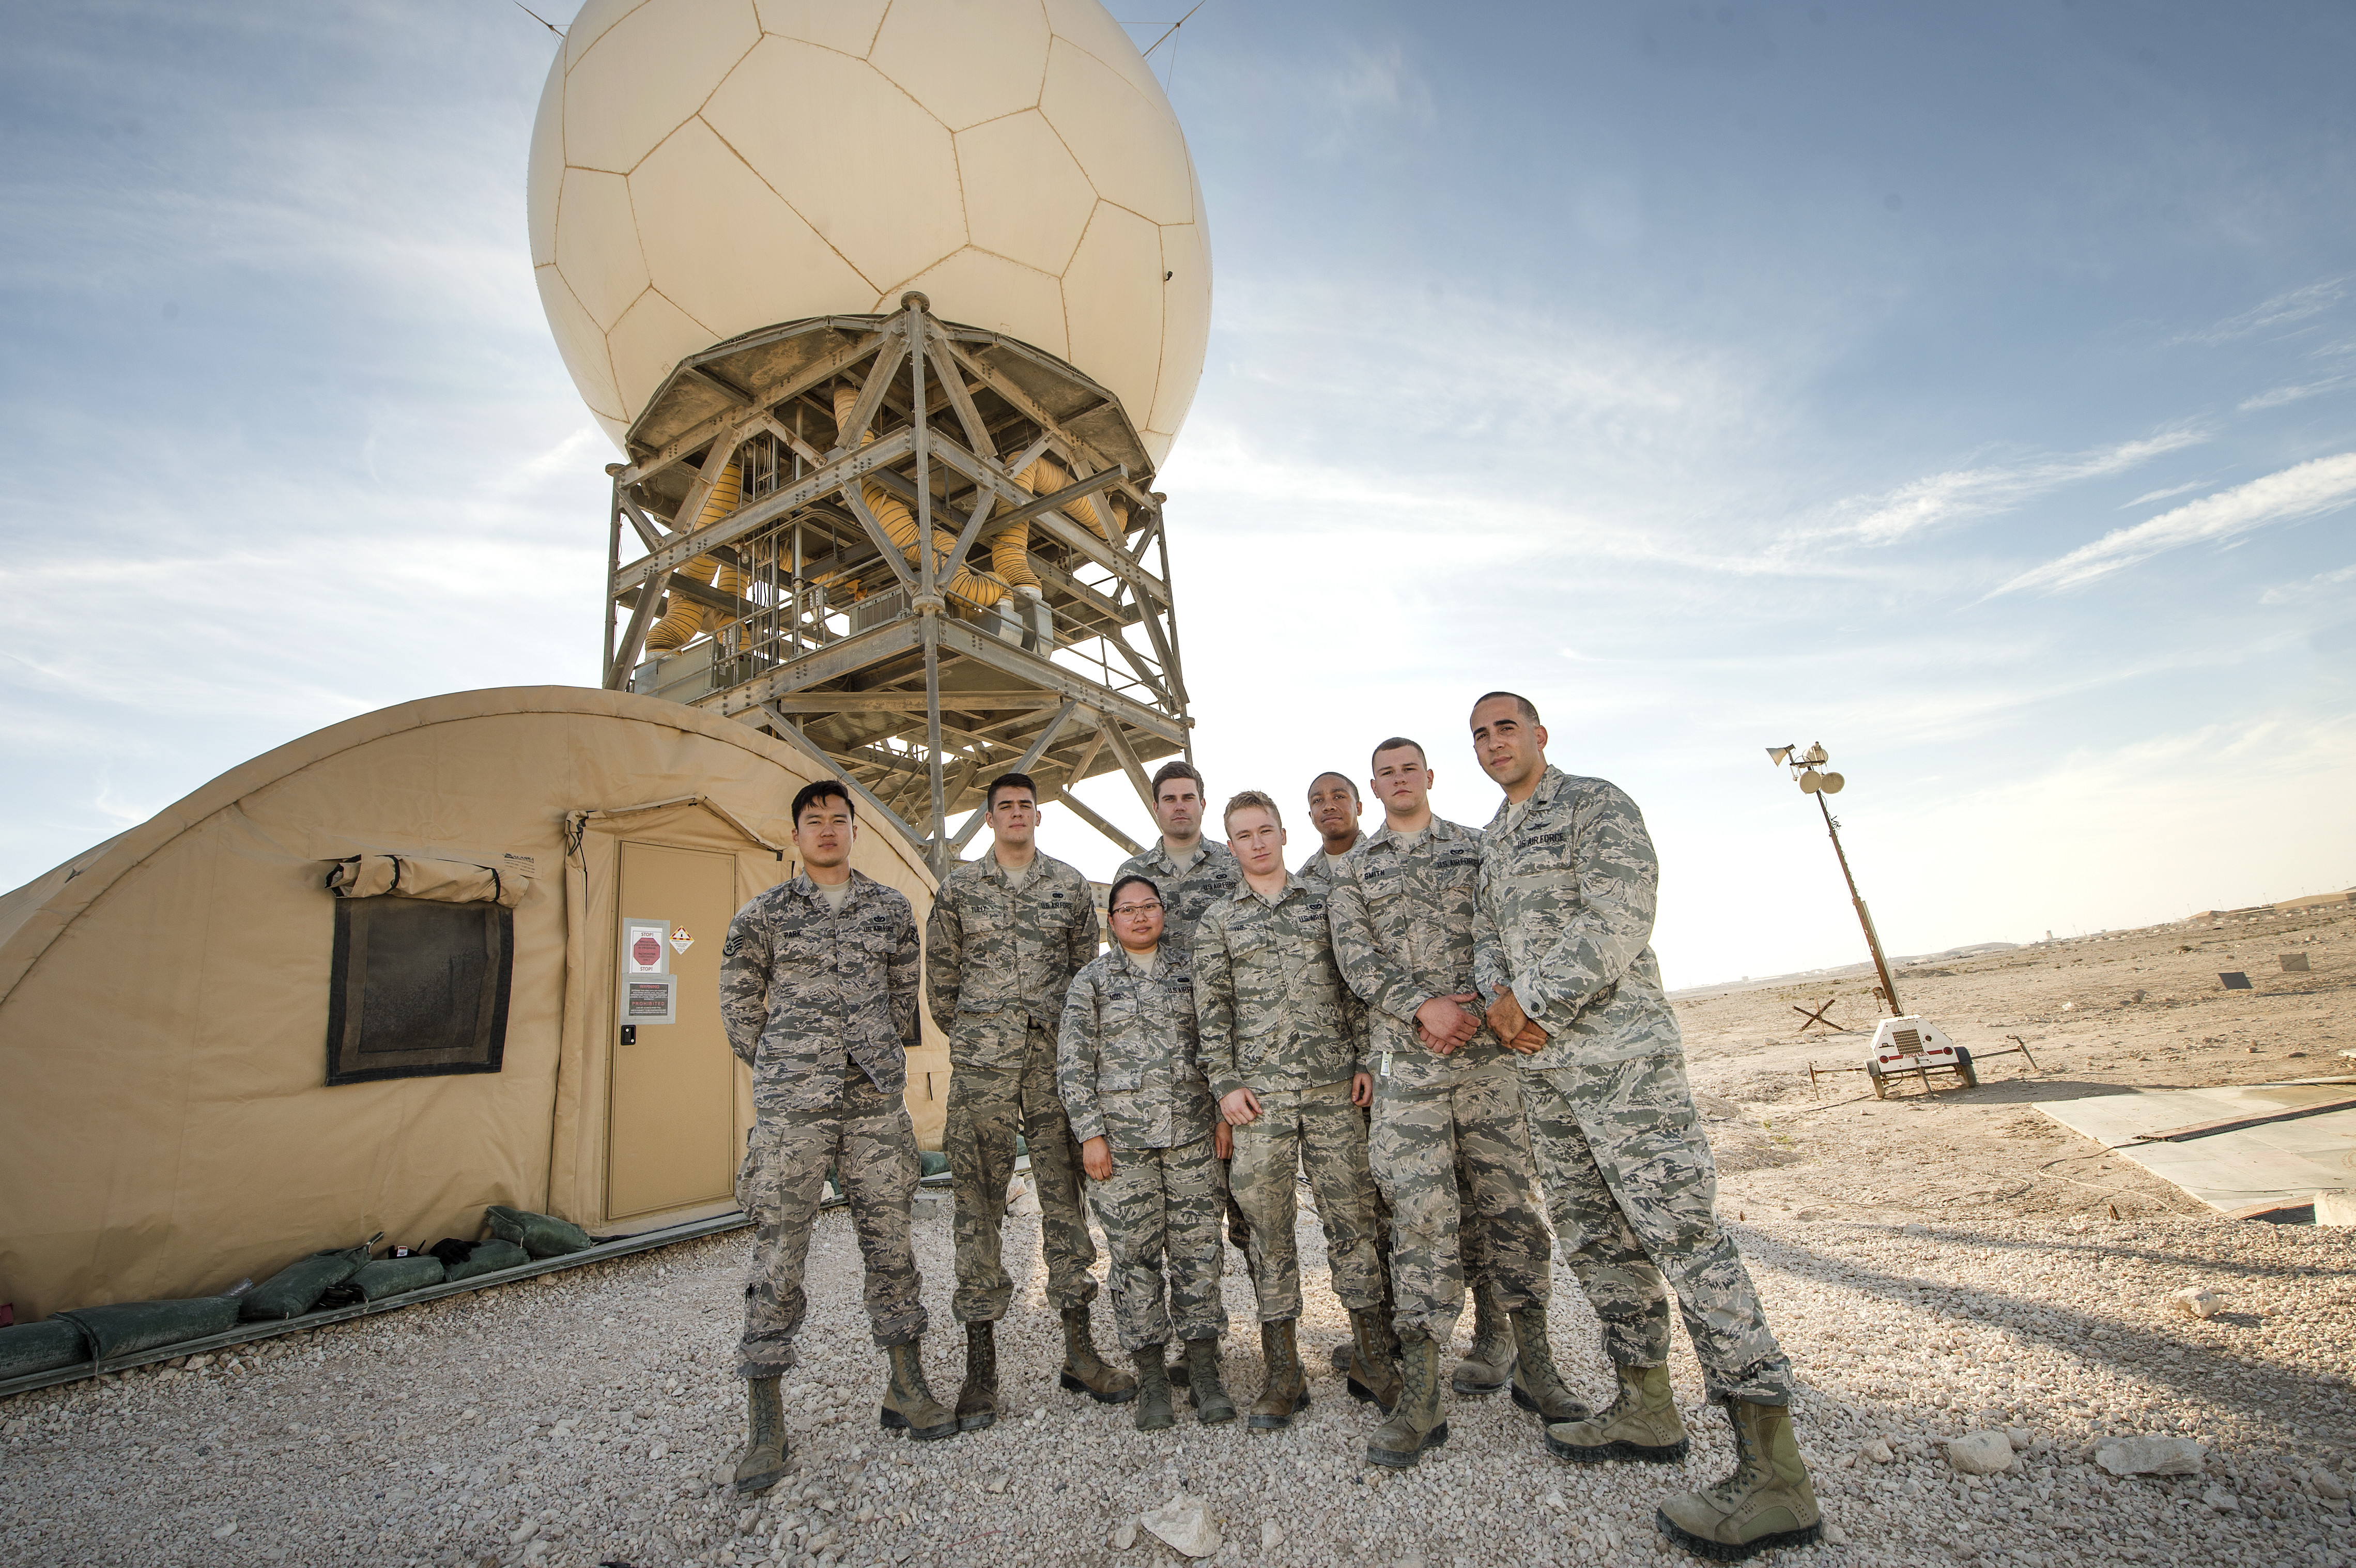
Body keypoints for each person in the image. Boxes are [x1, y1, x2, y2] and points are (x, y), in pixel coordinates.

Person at [1467, 693, 1819, 1560]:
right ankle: (1644, 1404)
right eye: (1476, 733)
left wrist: (1529, 1002)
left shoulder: (1595, 804)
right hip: (1543, 1077)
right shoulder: (1494, 839)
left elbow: (1620, 915)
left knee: (1686, 1241)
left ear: (1539, 734)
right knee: (1595, 1242)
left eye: (1502, 726)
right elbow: (1483, 937)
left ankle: (1774, 1471)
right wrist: (1496, 1005)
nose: (1490, 742)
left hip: (1623, 1068)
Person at [1327, 737, 1569, 1470]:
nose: (1399, 780)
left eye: (1410, 769)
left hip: (1487, 1059)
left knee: (1510, 1207)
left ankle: (1535, 1363)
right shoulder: (1353, 871)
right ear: (1373, 787)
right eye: (1386, 773)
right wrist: (1420, 1007)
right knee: (1420, 1218)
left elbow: (1502, 929)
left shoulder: (1476, 847)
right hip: (1408, 1065)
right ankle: (1422, 1390)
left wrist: (1494, 1001)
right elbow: (1355, 959)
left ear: (1428, 778)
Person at [718, 781, 955, 1493]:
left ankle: (905, 1388)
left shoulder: (889, 909)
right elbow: (738, 1000)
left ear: (855, 831)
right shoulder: (762, 915)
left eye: (838, 821)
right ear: (795, 833)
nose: (826, 830)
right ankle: (766, 1422)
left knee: (891, 1243)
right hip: (793, 1103)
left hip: (873, 1099)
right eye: (813, 821)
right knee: (778, 1250)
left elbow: (898, 993)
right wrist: (783, 1057)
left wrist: (868, 1052)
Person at [925, 772, 1133, 1432]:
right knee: (976, 1208)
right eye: (1004, 806)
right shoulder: (958, 889)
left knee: (1063, 1201)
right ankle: (980, 1369)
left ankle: (1079, 1349)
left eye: (1024, 805)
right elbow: (941, 983)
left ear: (1037, 815)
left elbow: (1083, 976)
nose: (1016, 814)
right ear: (988, 818)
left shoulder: (1069, 886)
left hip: (1052, 1068)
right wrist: (979, 1034)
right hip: (983, 1071)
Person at [1194, 790, 1383, 1432]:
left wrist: (1364, 1061)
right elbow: (1211, 1012)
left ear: (1280, 832)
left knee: (1352, 1220)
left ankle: (1372, 1357)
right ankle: (1283, 1371)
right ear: (1231, 844)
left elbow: (1355, 988)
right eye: (1242, 834)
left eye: (1264, 830)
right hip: (1261, 1103)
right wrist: (1224, 1084)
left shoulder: (1324, 902)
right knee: (1269, 1234)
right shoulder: (1218, 921)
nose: (1256, 842)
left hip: (1333, 1092)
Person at [1056, 874, 1233, 1431]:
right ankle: (1152, 1376)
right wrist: (1090, 1134)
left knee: (1199, 1252)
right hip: (1122, 1146)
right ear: (1110, 921)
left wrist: (1221, 1118)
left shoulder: (1190, 971)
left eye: (1148, 907)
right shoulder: (1091, 981)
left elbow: (1215, 1045)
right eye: (1126, 909)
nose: (1138, 917)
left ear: (1163, 912)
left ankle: (1203, 1371)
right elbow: (1073, 1063)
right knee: (1133, 1259)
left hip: (1191, 1139)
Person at [1296, 771, 1399, 1400]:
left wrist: (1369, 1054)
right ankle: (1376, 1330)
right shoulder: (1304, 882)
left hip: (1392, 1051)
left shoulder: (1385, 859)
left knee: (1402, 1195)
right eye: (1316, 799)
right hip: (1335, 1067)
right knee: (1357, 1201)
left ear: (1359, 803)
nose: (1328, 806)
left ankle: (1459, 1329)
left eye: (1338, 796)